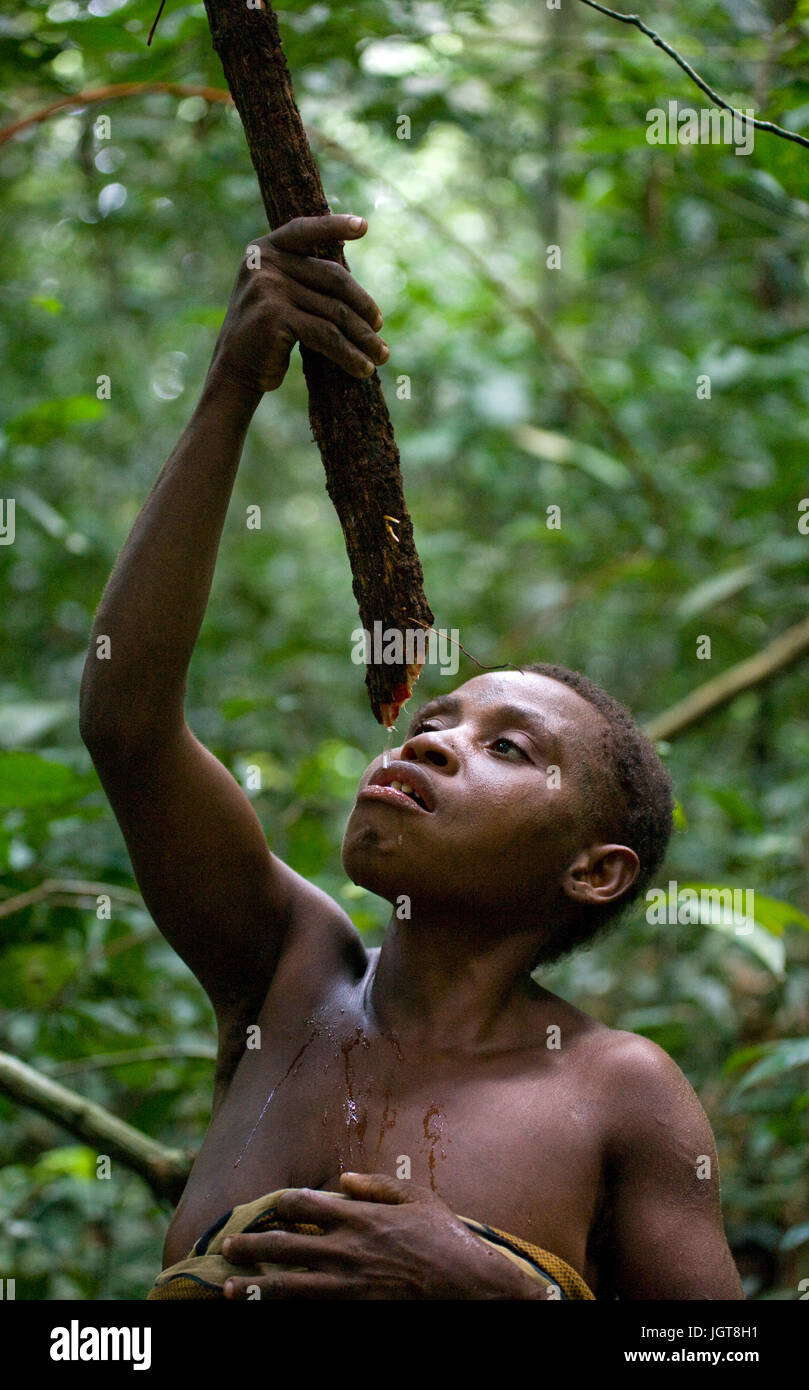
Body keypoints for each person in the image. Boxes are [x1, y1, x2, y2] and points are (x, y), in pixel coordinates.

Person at [79, 214, 744, 1300]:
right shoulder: (285, 973)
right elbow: (127, 723)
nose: (431, 742)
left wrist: (498, 1291)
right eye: (432, 719)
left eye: (505, 746)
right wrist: (232, 383)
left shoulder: (616, 1090)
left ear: (594, 868)